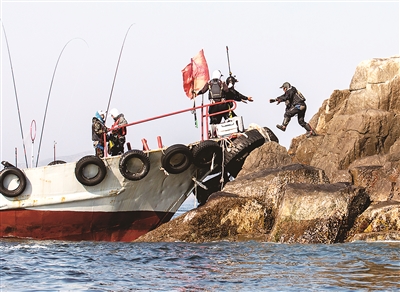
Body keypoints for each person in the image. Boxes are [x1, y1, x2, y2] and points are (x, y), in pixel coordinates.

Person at [195, 70, 230, 136]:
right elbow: (227, 90)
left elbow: (203, 91)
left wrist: (197, 93)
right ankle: (227, 132)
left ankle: (213, 134)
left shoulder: (209, 83)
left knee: (213, 120)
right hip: (222, 105)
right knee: (226, 117)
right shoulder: (222, 83)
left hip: (213, 105)